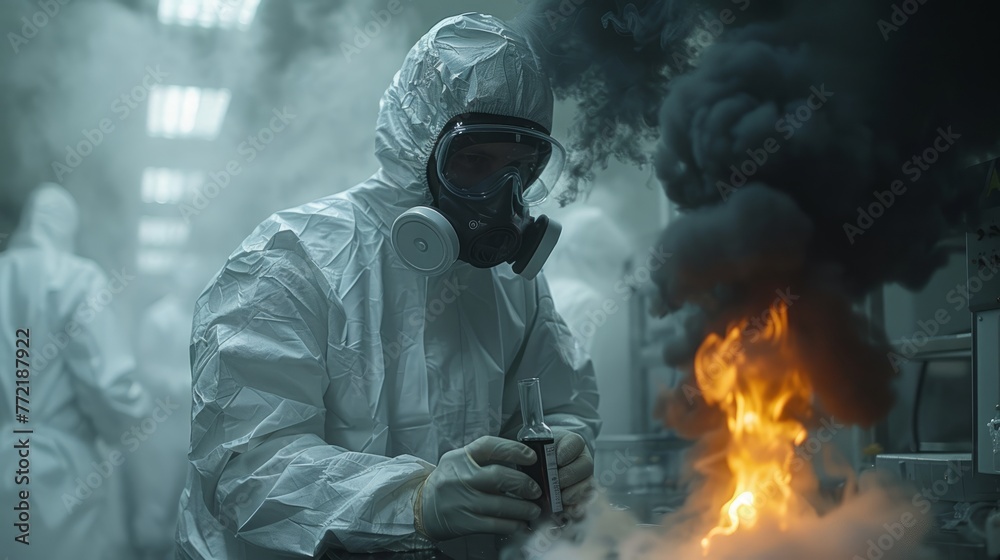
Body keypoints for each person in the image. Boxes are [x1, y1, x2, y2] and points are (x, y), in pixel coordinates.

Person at [176, 13, 601, 559]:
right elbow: (246, 465)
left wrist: (566, 451)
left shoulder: (510, 285)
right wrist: (414, 503)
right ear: (420, 143)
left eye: (521, 168)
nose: (504, 196)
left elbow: (563, 404)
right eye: (475, 161)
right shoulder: (289, 259)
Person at [0, 183, 154, 560]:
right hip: (63, 473)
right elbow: (109, 387)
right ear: (67, 227)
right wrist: (139, 415)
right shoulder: (79, 278)